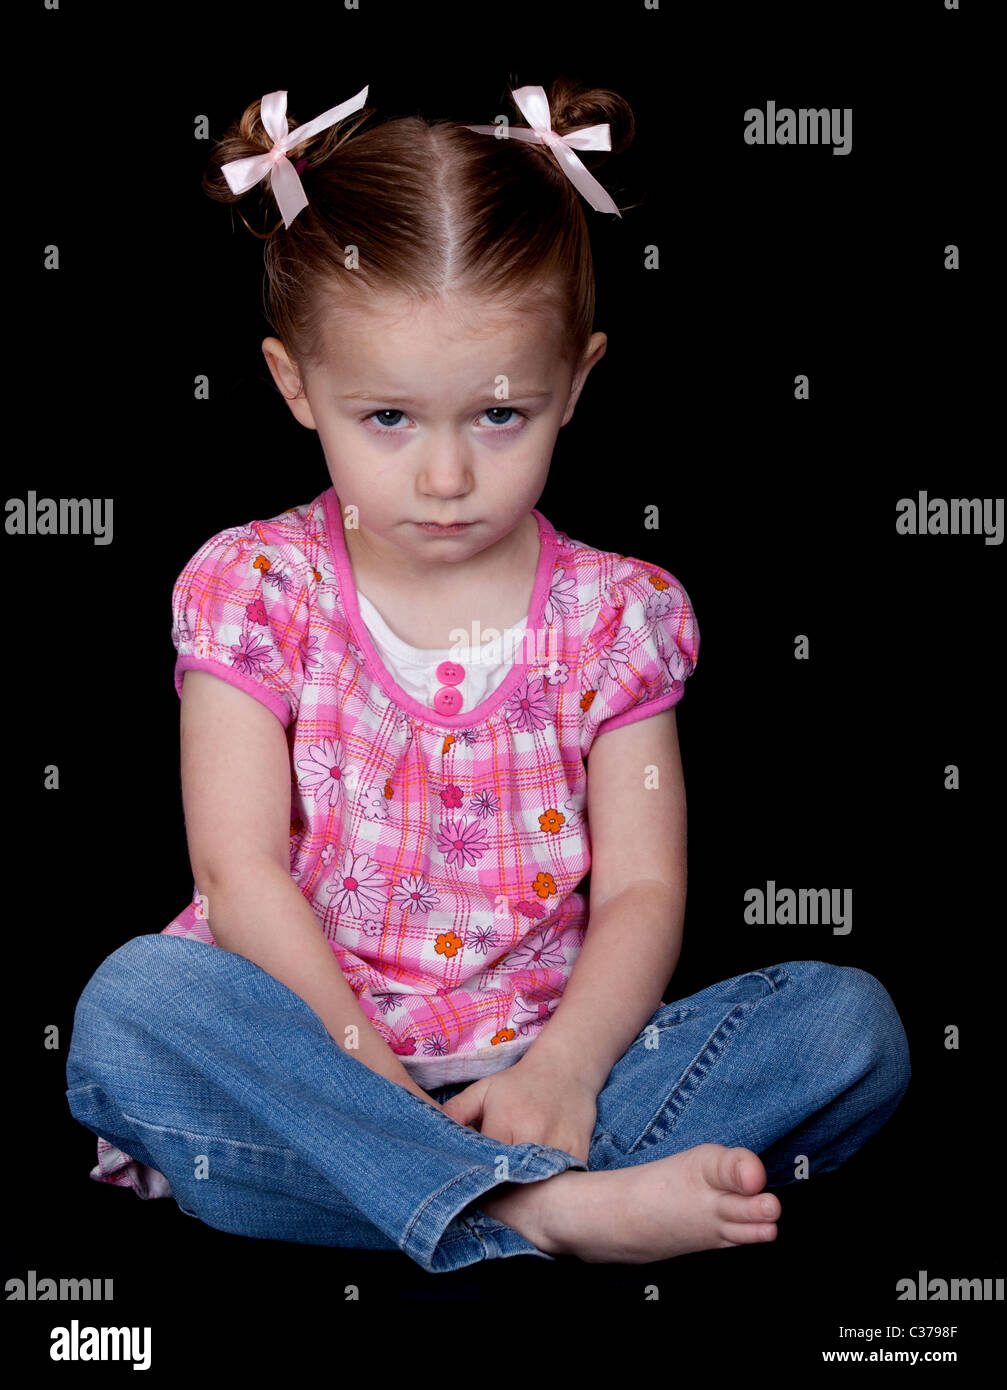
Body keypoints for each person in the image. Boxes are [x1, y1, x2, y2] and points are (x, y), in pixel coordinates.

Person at [65, 77, 911, 1272]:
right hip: (315, 1055)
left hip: (545, 1065)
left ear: (576, 379)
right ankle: (533, 1212)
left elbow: (639, 893)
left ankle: (467, 1184)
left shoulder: (617, 613)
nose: (447, 476)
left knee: (848, 1030)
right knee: (131, 1011)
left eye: (500, 414)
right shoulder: (254, 585)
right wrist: (367, 1077)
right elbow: (237, 872)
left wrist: (563, 1069)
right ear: (295, 386)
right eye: (390, 418)